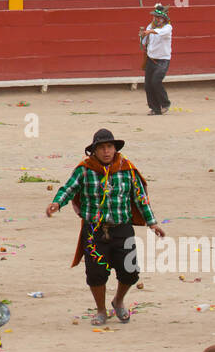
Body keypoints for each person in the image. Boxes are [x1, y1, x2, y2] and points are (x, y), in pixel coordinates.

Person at [46, 127, 165, 326]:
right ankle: (101, 310)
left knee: (130, 271)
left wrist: (152, 223)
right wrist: (57, 203)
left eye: (109, 147)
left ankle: (118, 300)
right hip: (94, 230)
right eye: (101, 148)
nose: (106, 151)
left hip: (122, 227)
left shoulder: (126, 168)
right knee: (96, 273)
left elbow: (140, 197)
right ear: (94, 151)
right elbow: (68, 188)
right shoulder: (85, 169)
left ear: (115, 149)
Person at [140, 2, 173, 115]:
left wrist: (149, 31)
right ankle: (155, 108)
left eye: (159, 17)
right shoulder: (150, 26)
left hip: (163, 60)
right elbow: (145, 42)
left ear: (164, 18)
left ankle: (165, 104)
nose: (156, 19)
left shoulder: (168, 27)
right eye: (155, 17)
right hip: (151, 59)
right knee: (148, 84)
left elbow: (161, 33)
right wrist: (143, 36)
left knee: (156, 81)